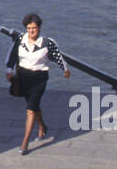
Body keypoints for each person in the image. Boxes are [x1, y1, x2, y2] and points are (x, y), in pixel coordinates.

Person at [5, 13, 70, 154]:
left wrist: (65, 69)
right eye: (29, 28)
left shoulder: (47, 43)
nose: (31, 31)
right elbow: (12, 55)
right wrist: (9, 69)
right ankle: (42, 126)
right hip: (22, 77)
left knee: (30, 110)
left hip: (39, 79)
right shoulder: (20, 39)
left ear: (39, 28)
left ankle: (25, 143)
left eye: (34, 28)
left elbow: (59, 57)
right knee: (33, 106)